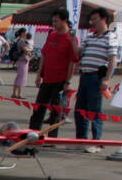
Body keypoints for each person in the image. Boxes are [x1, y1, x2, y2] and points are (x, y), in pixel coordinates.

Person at [74, 8, 117, 143]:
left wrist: (107, 79)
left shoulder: (110, 37)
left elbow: (112, 59)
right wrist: (72, 39)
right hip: (85, 75)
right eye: (91, 20)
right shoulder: (89, 36)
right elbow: (78, 52)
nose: (93, 22)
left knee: (95, 110)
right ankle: (81, 139)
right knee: (80, 109)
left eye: (95, 19)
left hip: (96, 77)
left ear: (104, 19)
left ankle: (96, 141)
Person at [29, 9, 76, 132]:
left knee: (55, 111)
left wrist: (68, 82)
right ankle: (33, 134)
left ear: (64, 20)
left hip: (60, 80)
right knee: (38, 108)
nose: (54, 24)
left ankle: (52, 139)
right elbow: (44, 55)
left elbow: (73, 61)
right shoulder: (52, 35)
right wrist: (39, 75)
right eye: (53, 21)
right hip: (47, 79)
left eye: (56, 21)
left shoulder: (71, 39)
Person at [10, 27, 32, 100]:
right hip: (23, 60)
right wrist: (31, 48)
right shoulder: (22, 41)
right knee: (22, 77)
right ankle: (19, 93)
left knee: (18, 77)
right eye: (25, 32)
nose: (26, 34)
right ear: (23, 33)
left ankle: (14, 93)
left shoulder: (18, 40)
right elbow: (25, 49)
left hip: (19, 60)